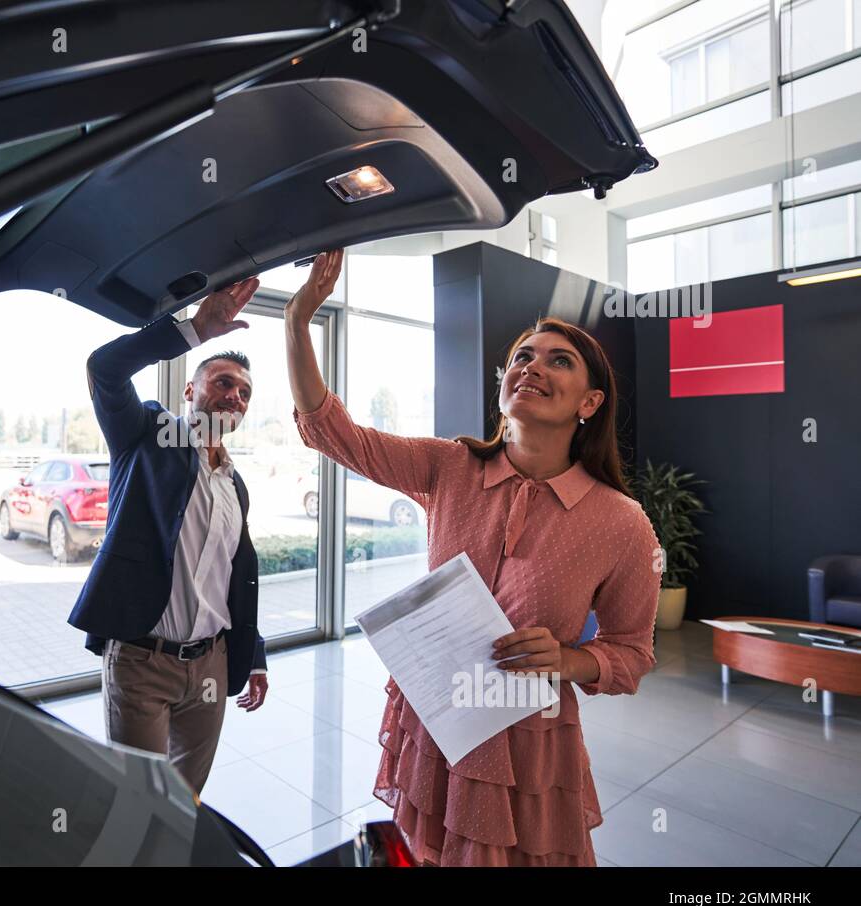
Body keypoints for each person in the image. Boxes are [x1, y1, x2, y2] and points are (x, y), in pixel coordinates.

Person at [285, 250, 661, 866]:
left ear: (590, 403)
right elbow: (334, 432)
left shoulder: (621, 523)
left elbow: (631, 654)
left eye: (558, 360)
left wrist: (568, 659)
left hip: (526, 741)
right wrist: (298, 321)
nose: (532, 367)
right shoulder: (449, 466)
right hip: (436, 716)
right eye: (522, 357)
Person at [68, 278, 269, 794]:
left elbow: (229, 575)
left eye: (244, 392)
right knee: (138, 800)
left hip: (212, 664)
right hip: (142, 662)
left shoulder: (235, 485)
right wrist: (195, 329)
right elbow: (105, 368)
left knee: (185, 800)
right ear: (190, 391)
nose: (235, 396)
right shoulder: (145, 437)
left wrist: (253, 654)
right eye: (223, 382)